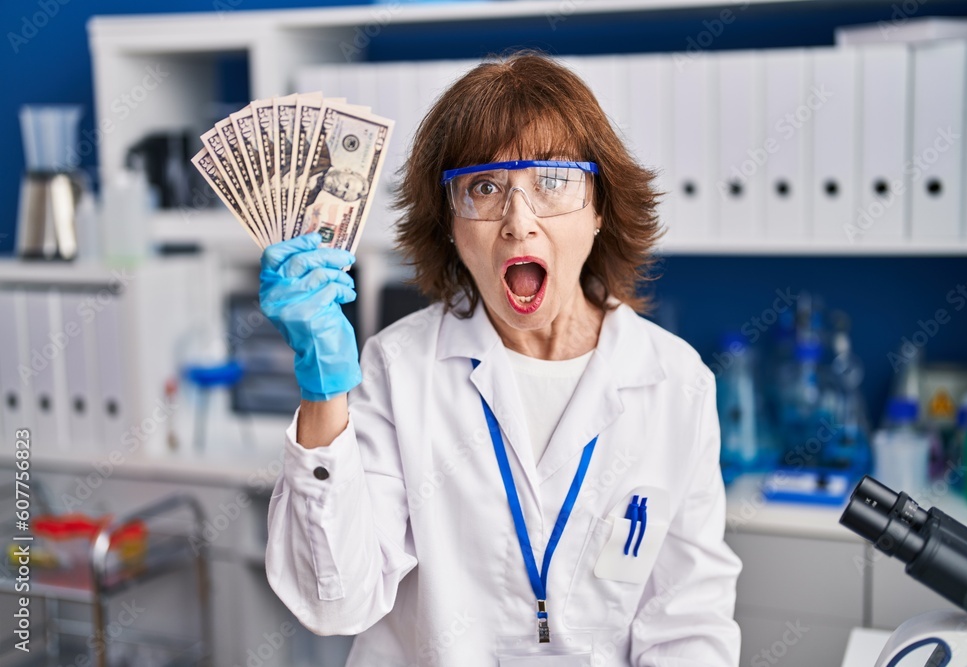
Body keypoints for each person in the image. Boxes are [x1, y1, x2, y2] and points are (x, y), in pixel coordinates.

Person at [261, 51, 741, 666]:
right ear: (451, 228)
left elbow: (689, 623)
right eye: (484, 187)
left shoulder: (676, 383)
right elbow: (335, 604)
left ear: (599, 209)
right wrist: (322, 387)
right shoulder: (397, 369)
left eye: (553, 180)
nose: (519, 222)